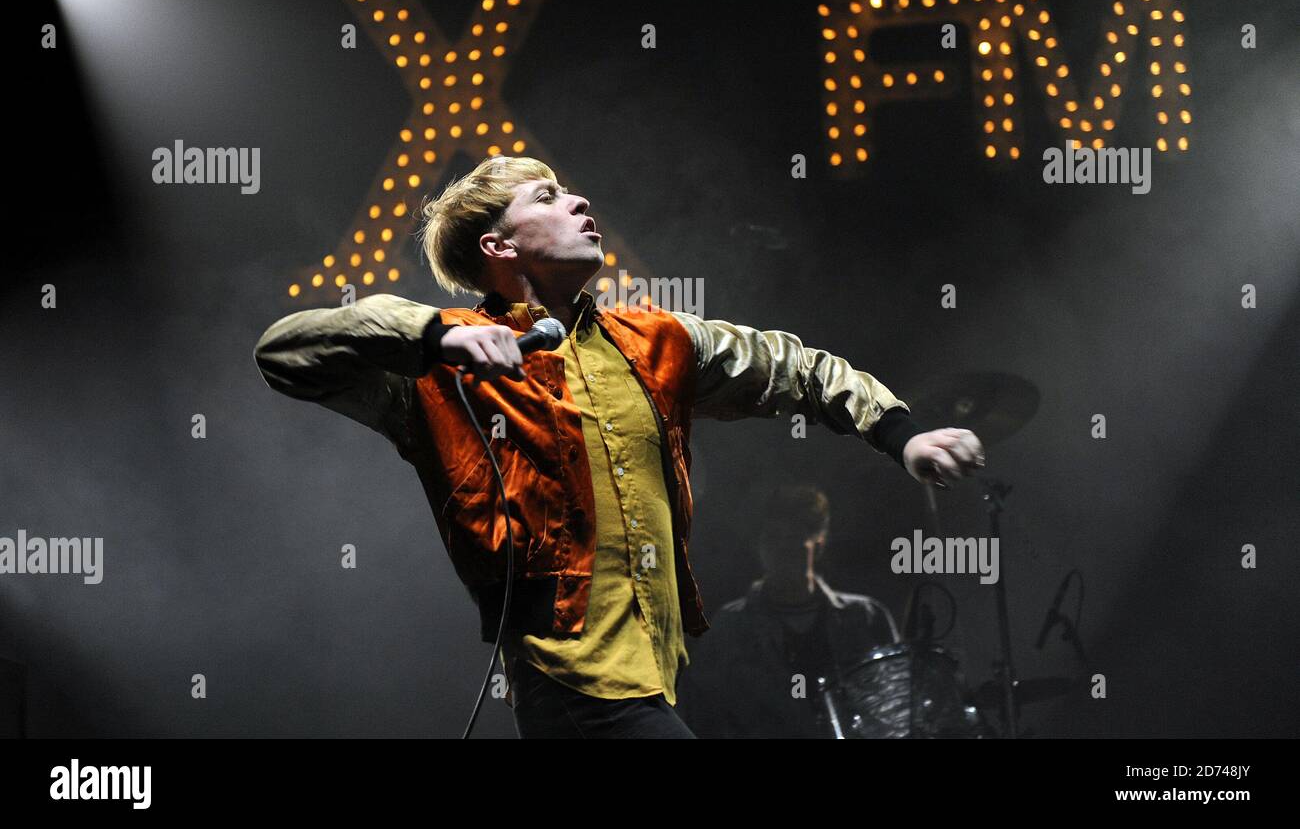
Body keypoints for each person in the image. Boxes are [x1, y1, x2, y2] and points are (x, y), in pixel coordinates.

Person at [253, 154, 986, 738]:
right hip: (569, 684)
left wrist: (903, 434)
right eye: (545, 196)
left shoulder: (655, 341)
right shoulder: (442, 369)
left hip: (655, 678)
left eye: (570, 190)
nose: (576, 201)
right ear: (499, 245)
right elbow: (284, 351)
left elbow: (795, 368)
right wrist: (434, 333)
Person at [676, 484, 900, 738]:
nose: (784, 549)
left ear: (819, 542)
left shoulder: (866, 617)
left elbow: (896, 707)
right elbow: (702, 715)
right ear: (759, 545)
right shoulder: (729, 628)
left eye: (795, 538)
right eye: (774, 538)